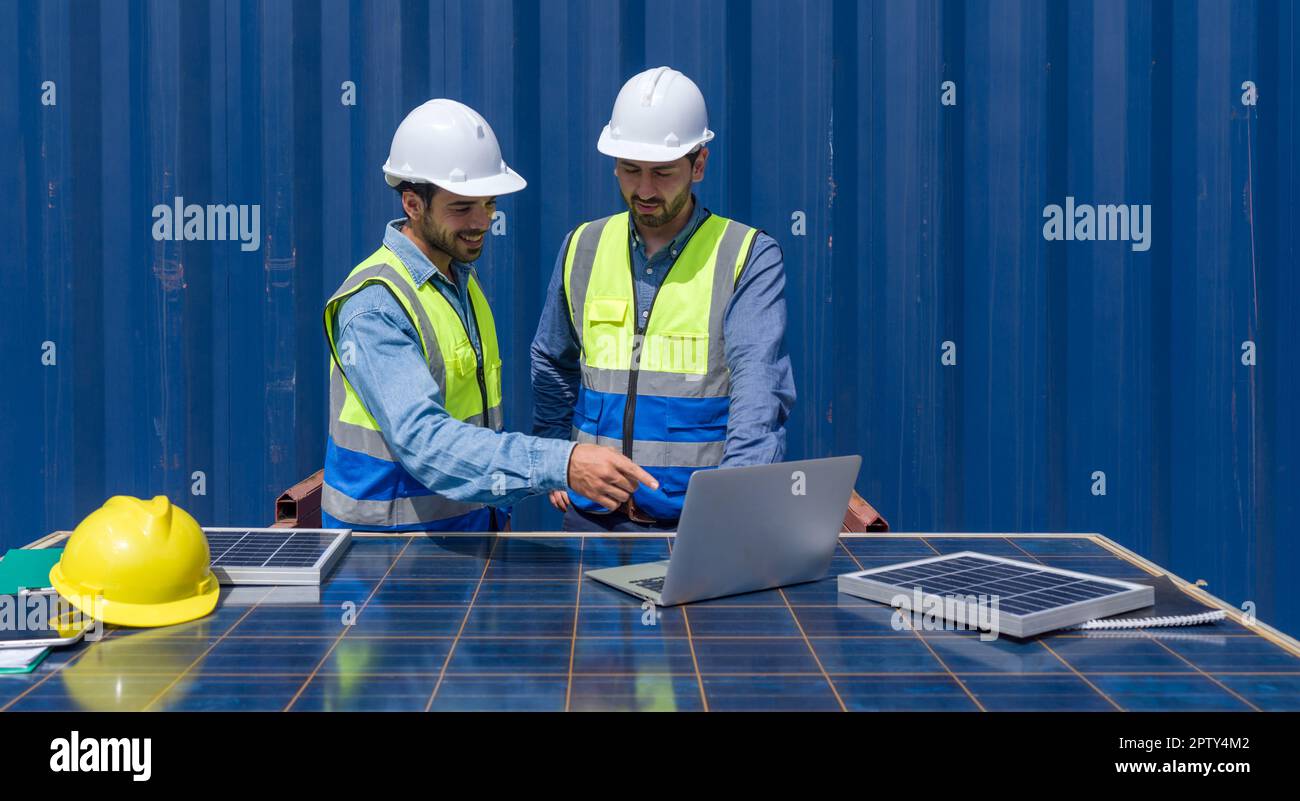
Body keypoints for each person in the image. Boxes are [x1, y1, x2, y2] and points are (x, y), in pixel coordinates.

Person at [323, 99, 656, 532]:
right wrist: (562, 462)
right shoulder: (375, 306)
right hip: (385, 566)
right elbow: (424, 443)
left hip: (458, 548)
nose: (482, 222)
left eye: (489, 203)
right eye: (462, 207)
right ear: (412, 204)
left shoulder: (459, 280)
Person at [531, 68, 795, 532]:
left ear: (698, 165)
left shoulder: (745, 255)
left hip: (697, 522)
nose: (645, 190)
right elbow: (552, 357)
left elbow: (759, 383)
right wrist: (557, 452)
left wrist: (732, 502)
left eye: (662, 173)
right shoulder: (582, 246)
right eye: (631, 170)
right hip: (591, 519)